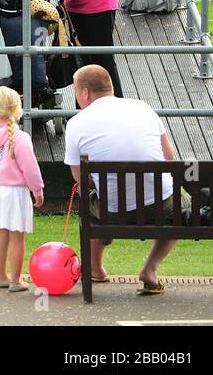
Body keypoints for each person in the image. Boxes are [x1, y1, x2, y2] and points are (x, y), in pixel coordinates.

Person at [64, 65, 188, 295]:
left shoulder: (76, 124)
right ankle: (150, 268)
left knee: (92, 198)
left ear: (84, 93)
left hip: (114, 212)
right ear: (109, 87)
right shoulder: (142, 108)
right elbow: (169, 158)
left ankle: (96, 268)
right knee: (183, 205)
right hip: (162, 206)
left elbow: (80, 179)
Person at [0, 87, 44, 292]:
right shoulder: (20, 137)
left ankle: (0, 276)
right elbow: (30, 168)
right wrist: (38, 190)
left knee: (2, 235)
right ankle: (16, 280)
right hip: (14, 192)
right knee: (18, 236)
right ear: (17, 108)